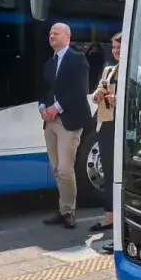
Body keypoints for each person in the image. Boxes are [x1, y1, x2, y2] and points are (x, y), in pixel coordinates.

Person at [39, 22, 91, 229]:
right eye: (50, 33)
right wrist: (43, 107)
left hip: (69, 121)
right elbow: (44, 89)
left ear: (67, 36)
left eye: (55, 33)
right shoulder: (49, 64)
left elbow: (80, 91)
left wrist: (56, 108)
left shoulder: (78, 60)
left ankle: (69, 211)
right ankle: (62, 210)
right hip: (49, 122)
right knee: (56, 169)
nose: (51, 36)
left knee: (64, 168)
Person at [91, 32, 121, 232]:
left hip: (124, 126)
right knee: (108, 172)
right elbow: (95, 96)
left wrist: (120, 100)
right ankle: (109, 217)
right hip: (107, 124)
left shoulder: (137, 70)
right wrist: (99, 95)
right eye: (113, 47)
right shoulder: (109, 71)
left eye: (119, 47)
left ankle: (120, 219)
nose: (115, 51)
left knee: (122, 173)